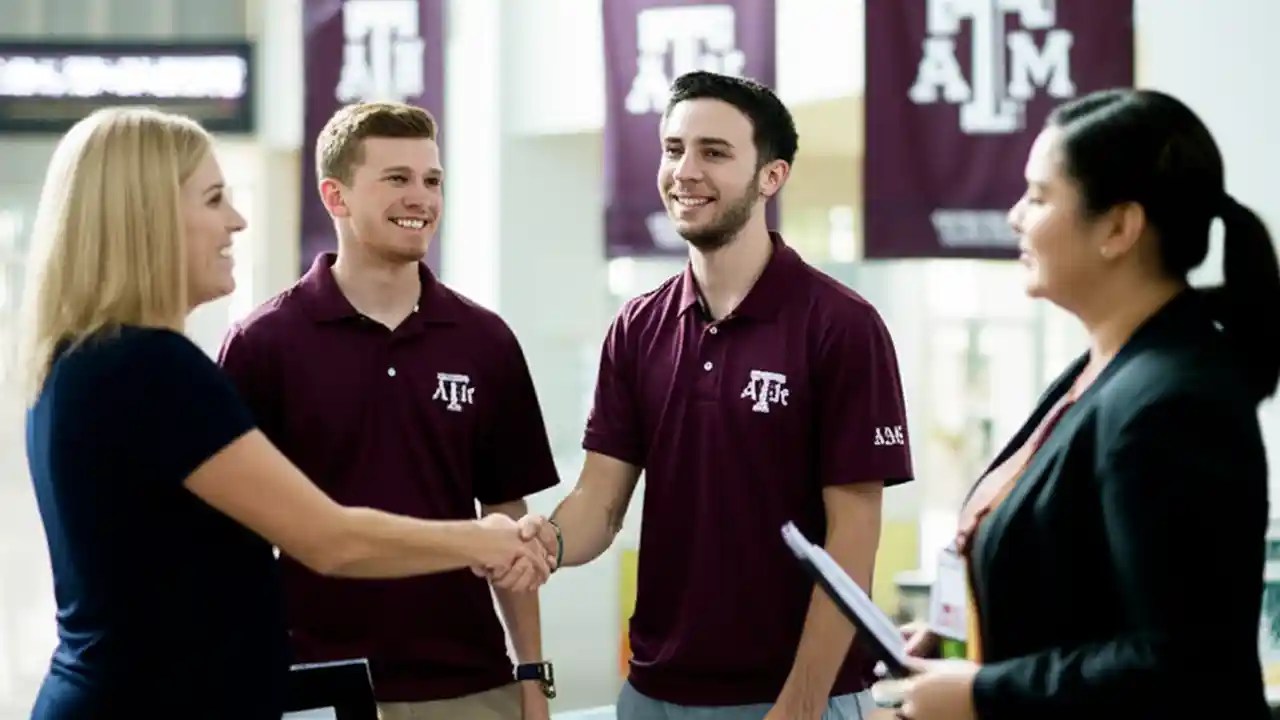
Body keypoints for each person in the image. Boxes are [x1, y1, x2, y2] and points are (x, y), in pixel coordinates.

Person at [16, 107, 552, 719]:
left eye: (432, 180)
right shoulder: (152, 370)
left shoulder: (84, 360)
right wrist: (481, 540)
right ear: (148, 218)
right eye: (215, 198)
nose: (237, 221)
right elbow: (328, 539)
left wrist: (528, 661)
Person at [489, 70, 915, 719]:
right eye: (673, 148)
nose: (685, 170)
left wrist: (802, 702)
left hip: (791, 697)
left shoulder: (841, 326)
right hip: (653, 694)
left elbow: (852, 536)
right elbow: (600, 502)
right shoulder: (636, 328)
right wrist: (540, 544)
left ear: (771, 176)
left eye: (714, 152)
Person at [878, 89, 1278, 720]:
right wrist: (963, 644)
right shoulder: (1105, 369)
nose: (1015, 216)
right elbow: (1078, 588)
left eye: (1038, 197)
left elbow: (1182, 664)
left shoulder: (1172, 401)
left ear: (1119, 227)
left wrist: (982, 693)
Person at [216, 101, 561, 720]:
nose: (422, 198)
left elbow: (506, 517)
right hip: (313, 688)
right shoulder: (263, 344)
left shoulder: (486, 341)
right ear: (336, 195)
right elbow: (232, 539)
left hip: (468, 687)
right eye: (397, 179)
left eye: (432, 180)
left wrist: (532, 673)